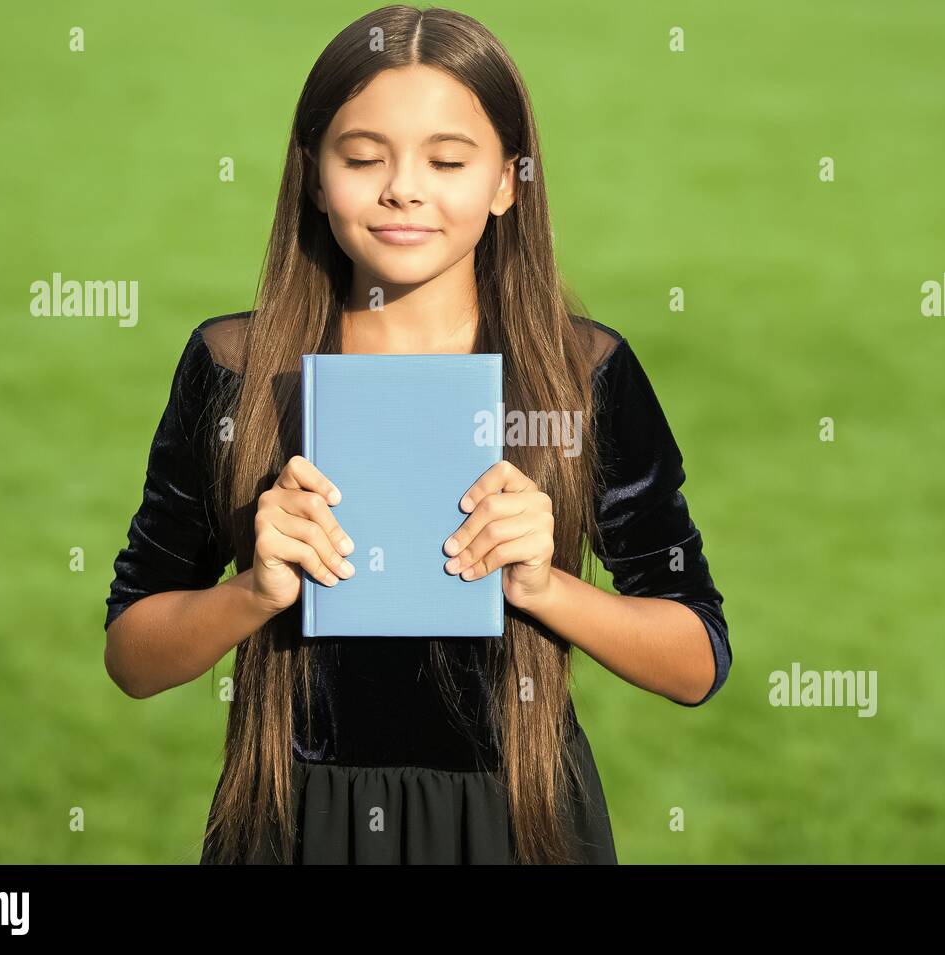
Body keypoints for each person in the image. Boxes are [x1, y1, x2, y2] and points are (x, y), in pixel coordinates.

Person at [102, 4, 731, 865]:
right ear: (316, 176)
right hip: (290, 823)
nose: (403, 187)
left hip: (522, 825)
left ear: (510, 180)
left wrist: (548, 588)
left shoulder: (579, 373)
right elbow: (133, 653)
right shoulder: (236, 368)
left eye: (448, 159)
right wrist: (253, 588)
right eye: (363, 158)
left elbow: (696, 658)